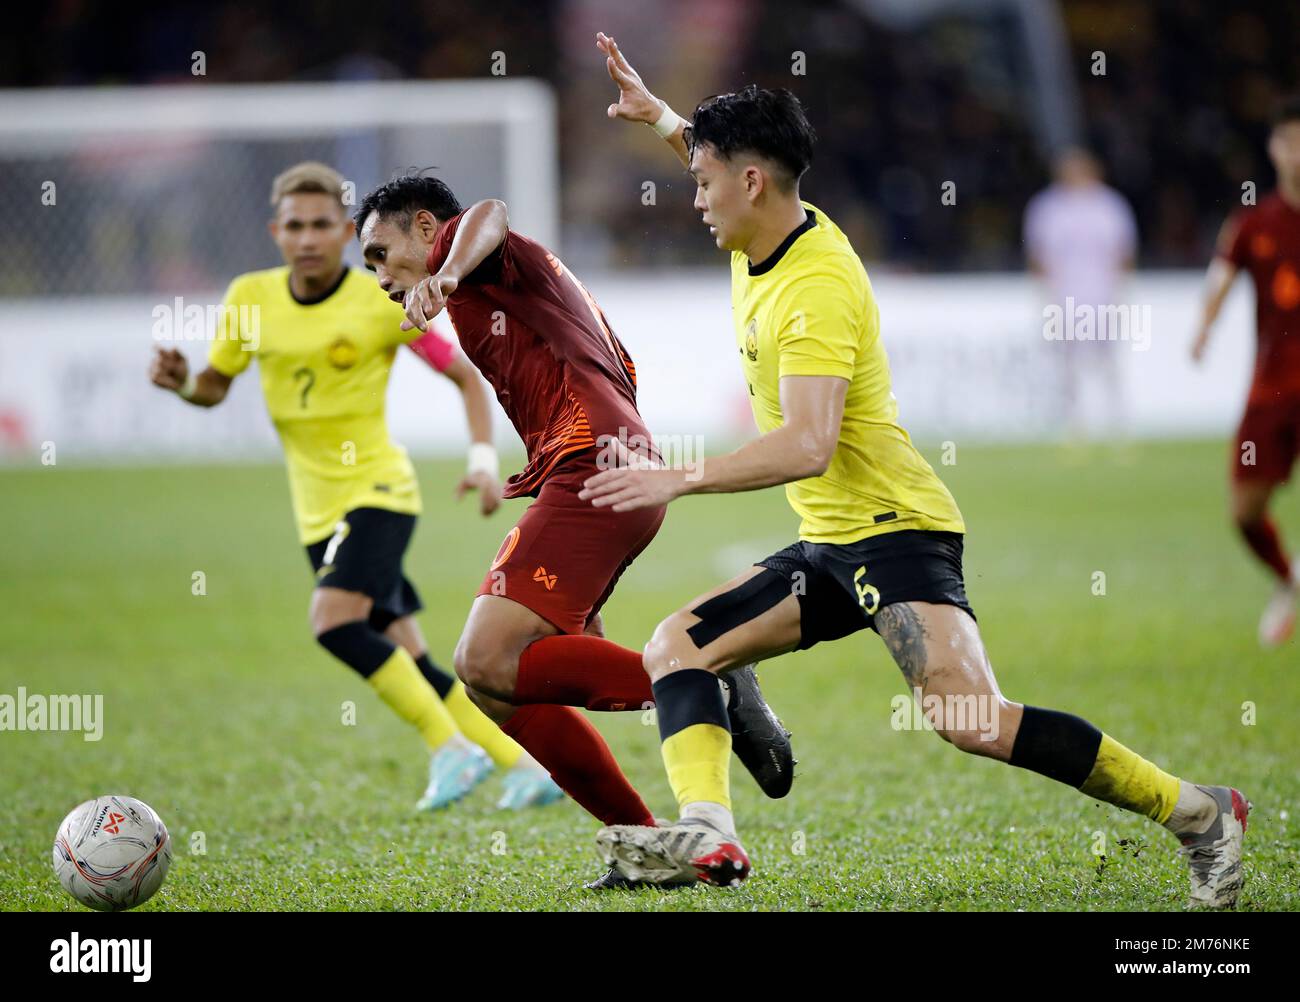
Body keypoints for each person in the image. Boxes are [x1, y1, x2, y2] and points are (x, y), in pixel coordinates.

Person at [581, 33, 1249, 908]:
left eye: (703, 181)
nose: (694, 198)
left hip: (895, 531)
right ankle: (710, 832)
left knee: (973, 721)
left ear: (750, 183)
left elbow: (809, 444)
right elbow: (734, 170)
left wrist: (680, 475)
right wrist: (668, 119)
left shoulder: (812, 286)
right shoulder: (763, 228)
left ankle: (1202, 814)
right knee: (677, 647)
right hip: (831, 539)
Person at [354, 170, 794, 887]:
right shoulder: (507, 286)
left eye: (381, 253)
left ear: (429, 230)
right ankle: (653, 847)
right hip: (601, 465)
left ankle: (698, 674)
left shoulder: (482, 253)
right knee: (498, 688)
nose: (378, 276)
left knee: (483, 659)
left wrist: (449, 273)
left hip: (593, 468)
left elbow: (490, 212)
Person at [149, 161, 561, 812]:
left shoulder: (378, 299)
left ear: (345, 233)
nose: (308, 238)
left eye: (321, 226)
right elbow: (213, 389)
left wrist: (483, 459)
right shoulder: (249, 300)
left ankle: (449, 747)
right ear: (275, 231)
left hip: (378, 494)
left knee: (333, 622)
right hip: (316, 512)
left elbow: (463, 376)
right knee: (412, 658)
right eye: (295, 226)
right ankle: (528, 765)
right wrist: (180, 383)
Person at [1192, 96, 1300, 648]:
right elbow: (1222, 277)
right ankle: (1288, 580)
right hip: (1274, 389)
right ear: (1274, 148)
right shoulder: (1254, 223)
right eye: (1289, 140)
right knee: (1245, 511)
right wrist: (1203, 329)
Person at [1024, 148, 1138, 441]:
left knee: (1107, 360)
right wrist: (1046, 292)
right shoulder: (1047, 207)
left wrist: (1119, 289)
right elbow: (1038, 255)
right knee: (1067, 363)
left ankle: (1118, 421)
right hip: (1064, 297)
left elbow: (1123, 252)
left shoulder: (1109, 205)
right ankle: (1074, 424)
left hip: (1102, 296)